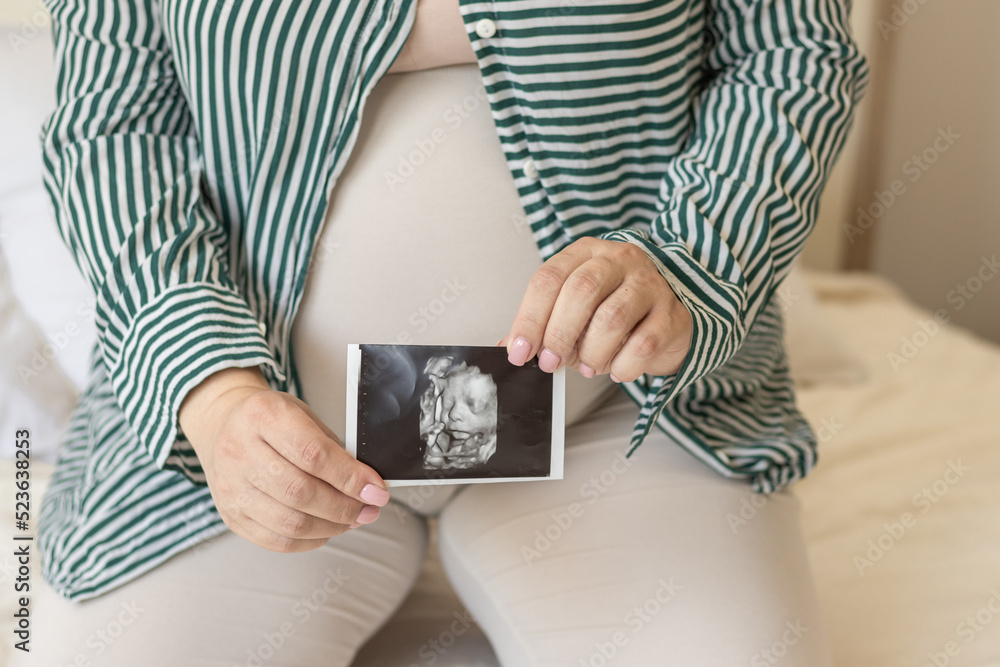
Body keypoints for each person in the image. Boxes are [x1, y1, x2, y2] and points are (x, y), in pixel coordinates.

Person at [27, 0, 868, 663]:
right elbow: (112, 127)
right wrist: (208, 392)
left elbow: (795, 58)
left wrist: (687, 265)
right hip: (257, 428)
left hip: (621, 414)